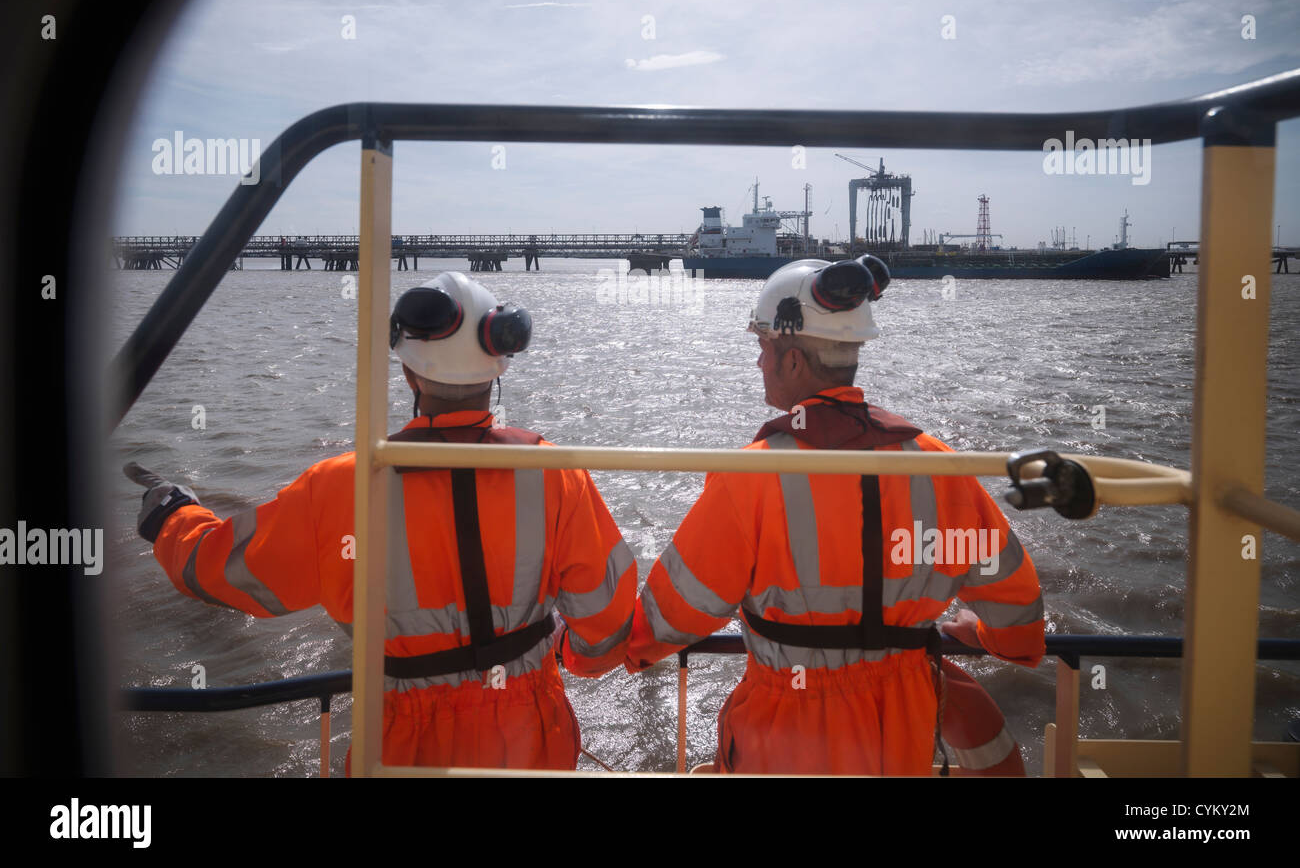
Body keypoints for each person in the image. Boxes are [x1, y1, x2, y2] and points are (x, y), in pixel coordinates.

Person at [135, 271, 636, 771]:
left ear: (409, 375)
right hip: (533, 740)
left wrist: (172, 516)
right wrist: (570, 658)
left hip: (402, 748)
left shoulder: (341, 487)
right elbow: (607, 623)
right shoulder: (553, 472)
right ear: (496, 371)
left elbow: (218, 571)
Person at [625, 255, 1045, 775]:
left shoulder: (750, 477)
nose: (759, 362)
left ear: (794, 360)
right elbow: (1020, 612)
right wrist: (989, 636)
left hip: (785, 735)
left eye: (764, 348)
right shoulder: (939, 466)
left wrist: (593, 651)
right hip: (901, 730)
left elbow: (669, 618)